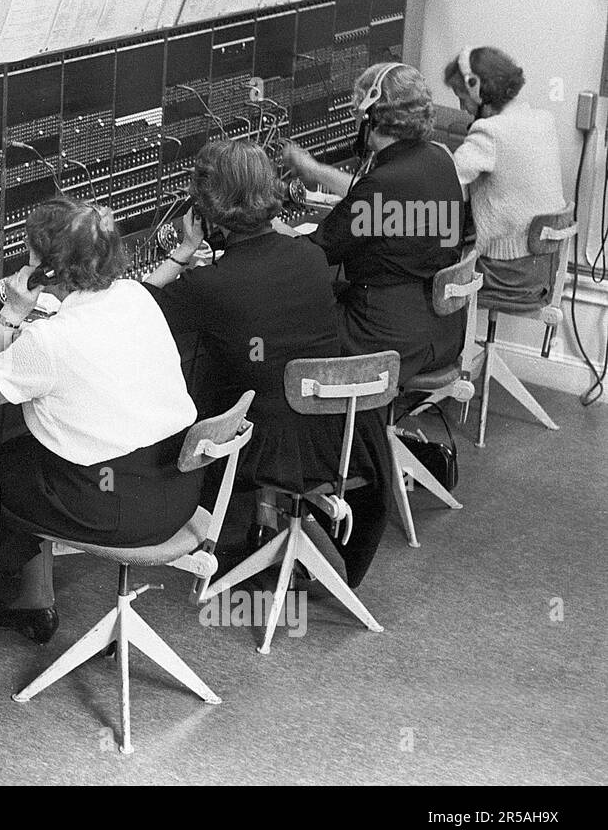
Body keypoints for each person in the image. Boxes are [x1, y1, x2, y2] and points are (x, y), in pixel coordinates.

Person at [0, 195, 202, 665]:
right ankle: (36, 603)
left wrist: (11, 317)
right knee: (37, 451)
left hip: (116, 508)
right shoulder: (136, 296)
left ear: (45, 268)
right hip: (178, 489)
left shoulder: (49, 342)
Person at [143, 140, 390, 586]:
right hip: (342, 433)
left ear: (208, 209)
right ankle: (260, 523)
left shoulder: (211, 285)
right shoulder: (312, 257)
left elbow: (138, 308)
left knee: (195, 383)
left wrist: (182, 252)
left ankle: (182, 517)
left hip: (271, 443)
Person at [282, 62, 467, 380]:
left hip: (384, 338)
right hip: (442, 333)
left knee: (280, 323)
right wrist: (315, 171)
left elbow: (314, 254)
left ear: (371, 116)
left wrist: (274, 233)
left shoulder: (383, 185)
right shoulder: (440, 157)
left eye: (357, 111)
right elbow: (382, 202)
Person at [444, 46, 568, 306]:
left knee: (424, 272)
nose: (462, 106)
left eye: (462, 96)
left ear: (477, 89)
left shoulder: (490, 132)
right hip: (544, 271)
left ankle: (444, 346)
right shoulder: (542, 119)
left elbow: (444, 183)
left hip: (507, 277)